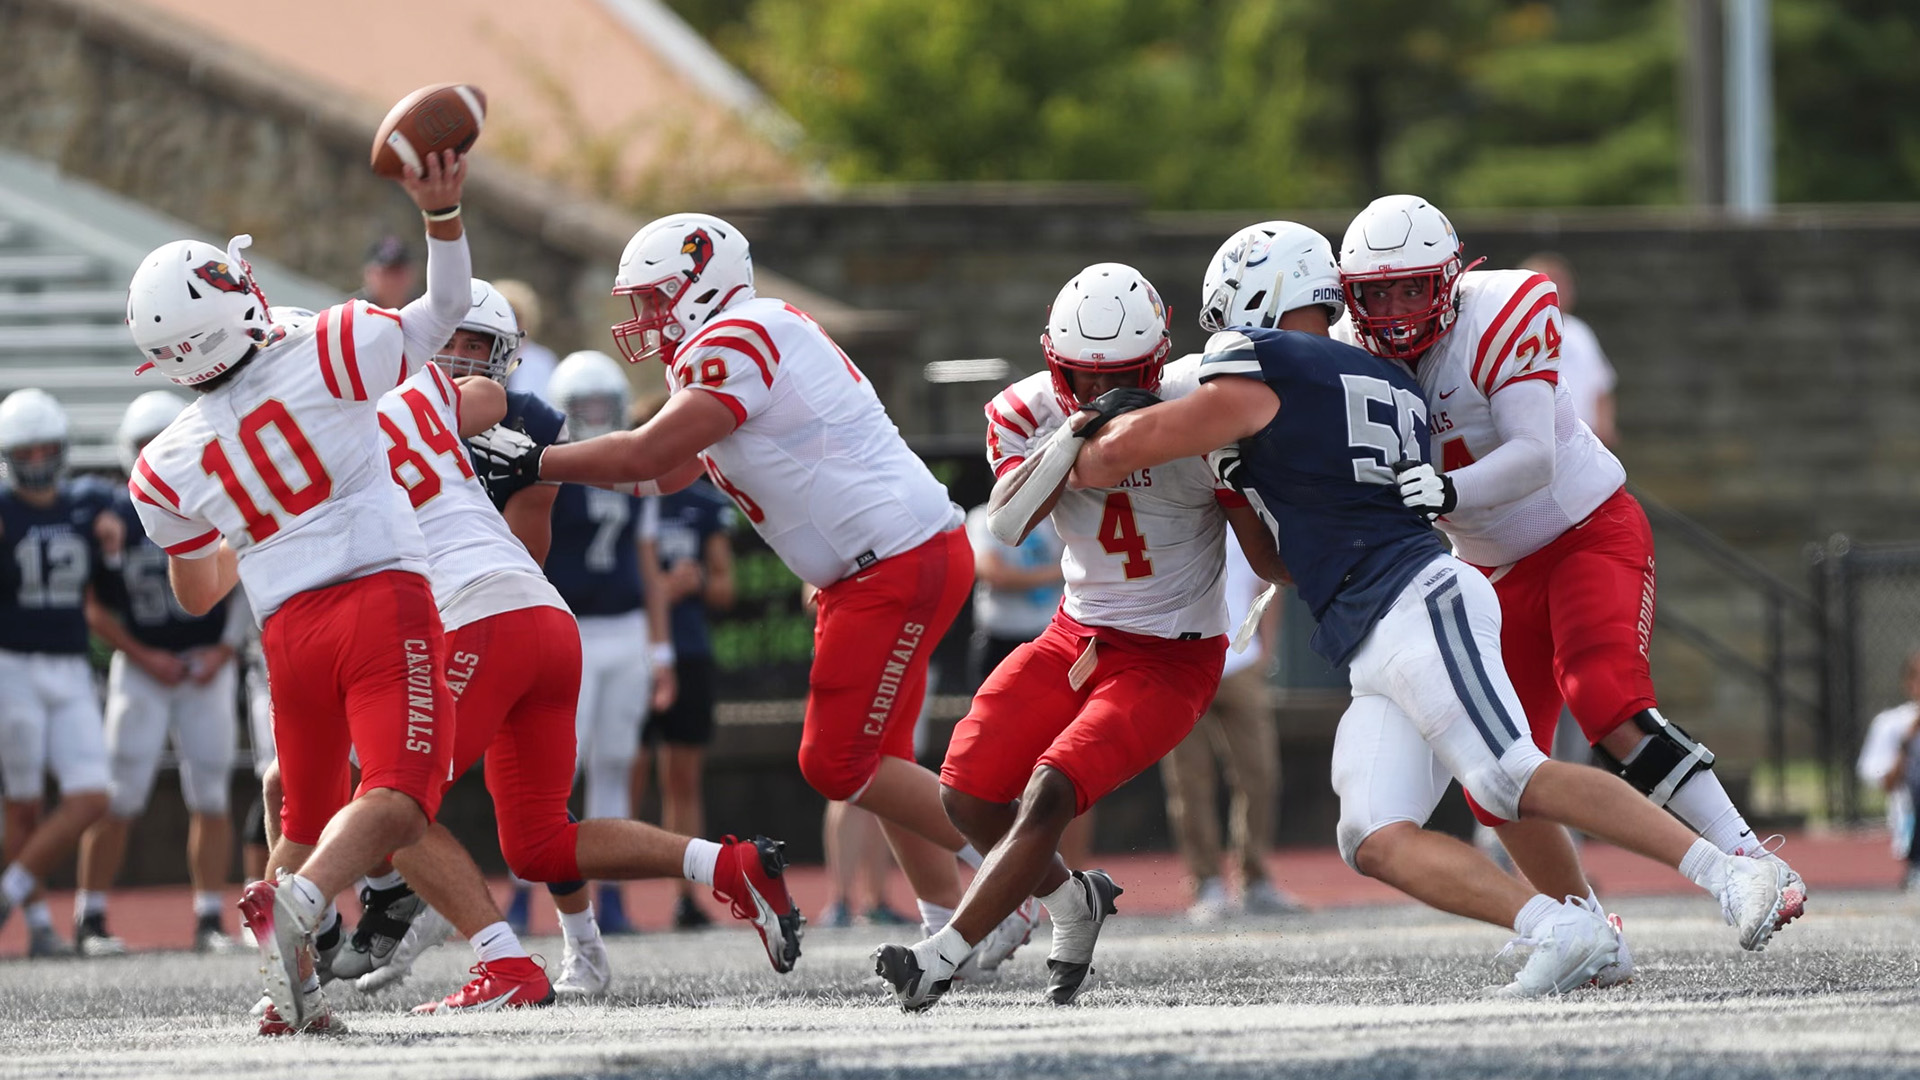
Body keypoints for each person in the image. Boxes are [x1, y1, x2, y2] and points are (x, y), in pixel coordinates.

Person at [1071, 220, 1794, 997]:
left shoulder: (1269, 364)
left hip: (1420, 595)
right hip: (1373, 622)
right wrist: (1239, 486)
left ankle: (1729, 868)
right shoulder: (1366, 372)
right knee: (1374, 835)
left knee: (1517, 769)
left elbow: (1135, 441)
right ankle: (1566, 928)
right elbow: (1279, 561)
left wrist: (1071, 440)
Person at [468, 213, 1036, 968]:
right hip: (876, 565)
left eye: (652, 299)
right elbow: (662, 473)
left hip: (892, 561)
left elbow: (649, 449)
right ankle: (963, 920)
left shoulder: (736, 338)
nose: (641, 320)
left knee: (838, 764)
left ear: (701, 284)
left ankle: (1029, 879)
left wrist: (536, 461)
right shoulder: (735, 341)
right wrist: (556, 463)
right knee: (880, 761)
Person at [1339, 196, 1805, 943]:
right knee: (1494, 776)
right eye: (1376, 292)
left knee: (1607, 699)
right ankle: (1588, 926)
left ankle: (1752, 862)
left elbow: (1534, 455)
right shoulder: (1343, 353)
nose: (1393, 311)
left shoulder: (1502, 312)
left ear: (1450, 281)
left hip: (1584, 531)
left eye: (1410, 289)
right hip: (1491, 571)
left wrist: (1450, 491)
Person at [330, 304, 802, 1012]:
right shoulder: (422, 405)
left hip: (488, 616)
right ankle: (727, 866)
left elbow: (525, 539)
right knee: (539, 841)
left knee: (385, 801)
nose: (459, 355)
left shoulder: (490, 416)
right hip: (538, 625)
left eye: (477, 343)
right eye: (449, 339)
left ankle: (457, 935)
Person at [124, 149, 474, 1034]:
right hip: (376, 597)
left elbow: (198, 591)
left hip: (287, 635)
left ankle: (292, 989)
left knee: (307, 812)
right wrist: (442, 216)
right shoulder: (331, 346)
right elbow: (447, 311)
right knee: (400, 794)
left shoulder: (165, 464)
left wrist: (256, 523)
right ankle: (307, 902)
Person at [872, 262, 1278, 1012]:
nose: (1099, 393)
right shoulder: (1026, 409)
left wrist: (1239, 480)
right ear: (1052, 359)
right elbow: (1008, 521)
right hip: (1077, 632)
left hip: (1172, 653)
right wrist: (1076, 438)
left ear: (1158, 361)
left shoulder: (1199, 402)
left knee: (1051, 786)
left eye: (1120, 378)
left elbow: (1272, 561)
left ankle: (942, 956)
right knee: (965, 789)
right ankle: (1071, 903)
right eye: (1083, 378)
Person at [73, 391, 246, 958]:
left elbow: (244, 575)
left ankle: (208, 916)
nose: (155, 453)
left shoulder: (215, 499)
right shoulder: (115, 514)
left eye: (161, 440)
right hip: (142, 668)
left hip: (204, 666)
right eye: (144, 445)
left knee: (212, 794)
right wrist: (144, 656)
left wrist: (223, 651)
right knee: (118, 794)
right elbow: (94, 606)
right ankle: (89, 914)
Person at [538, 349, 676, 934]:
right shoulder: (546, 468)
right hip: (570, 631)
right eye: (584, 406)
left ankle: (612, 900)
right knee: (556, 772)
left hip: (623, 630)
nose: (596, 415)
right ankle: (533, 897)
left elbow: (647, 560)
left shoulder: (632, 464)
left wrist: (660, 648)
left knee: (617, 762)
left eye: (604, 404)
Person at [0, 388, 116, 959]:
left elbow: (121, 500)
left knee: (93, 795)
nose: (41, 460)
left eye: (49, 448)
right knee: (21, 806)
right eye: (30, 449)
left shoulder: (87, 502)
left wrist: (114, 523)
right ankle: (40, 923)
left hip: (70, 666)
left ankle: (10, 891)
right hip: (12, 665)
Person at [1160, 540, 1298, 921]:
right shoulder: (1171, 515)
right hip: (1181, 668)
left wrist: (1265, 651)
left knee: (1261, 773)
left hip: (1240, 664)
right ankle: (1207, 883)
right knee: (1189, 780)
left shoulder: (1241, 518)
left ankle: (1255, 880)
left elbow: (1269, 582)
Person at [637, 461, 738, 931]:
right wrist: (658, 589)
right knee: (627, 773)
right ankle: (610, 899)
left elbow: (725, 586)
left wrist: (695, 582)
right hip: (631, 652)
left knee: (683, 778)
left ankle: (685, 896)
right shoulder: (626, 498)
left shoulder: (703, 504)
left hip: (689, 653)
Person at [1519, 252, 1616, 446]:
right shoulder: (1517, 333)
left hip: (1585, 443)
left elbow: (1601, 386)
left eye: (1563, 283)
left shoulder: (1580, 331)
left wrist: (1605, 428)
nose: (1559, 290)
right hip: (1541, 441)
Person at [1858, 651, 1920, 891]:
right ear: (1908, 682)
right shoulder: (1891, 723)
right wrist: (1908, 740)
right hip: (1911, 820)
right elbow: (1886, 783)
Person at [497, 279, 559, 402]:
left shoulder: (543, 360)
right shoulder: (482, 355)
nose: (512, 324)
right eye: (506, 316)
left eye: (517, 317)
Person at [358, 234, 419, 310]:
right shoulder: (352, 314)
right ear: (368, 274)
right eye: (386, 273)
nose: (392, 280)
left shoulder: (428, 312)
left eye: (398, 272)